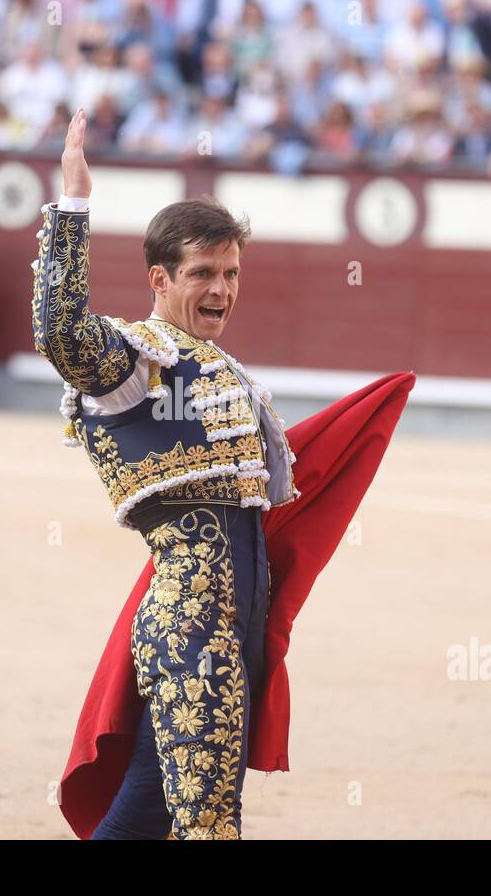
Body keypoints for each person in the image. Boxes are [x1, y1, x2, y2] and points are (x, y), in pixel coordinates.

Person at [34, 109, 413, 839]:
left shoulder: (211, 364)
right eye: (203, 273)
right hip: (192, 631)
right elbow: (59, 331)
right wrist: (74, 204)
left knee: (147, 811)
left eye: (231, 273)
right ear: (159, 279)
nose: (221, 289)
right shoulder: (134, 364)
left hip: (230, 630)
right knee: (207, 826)